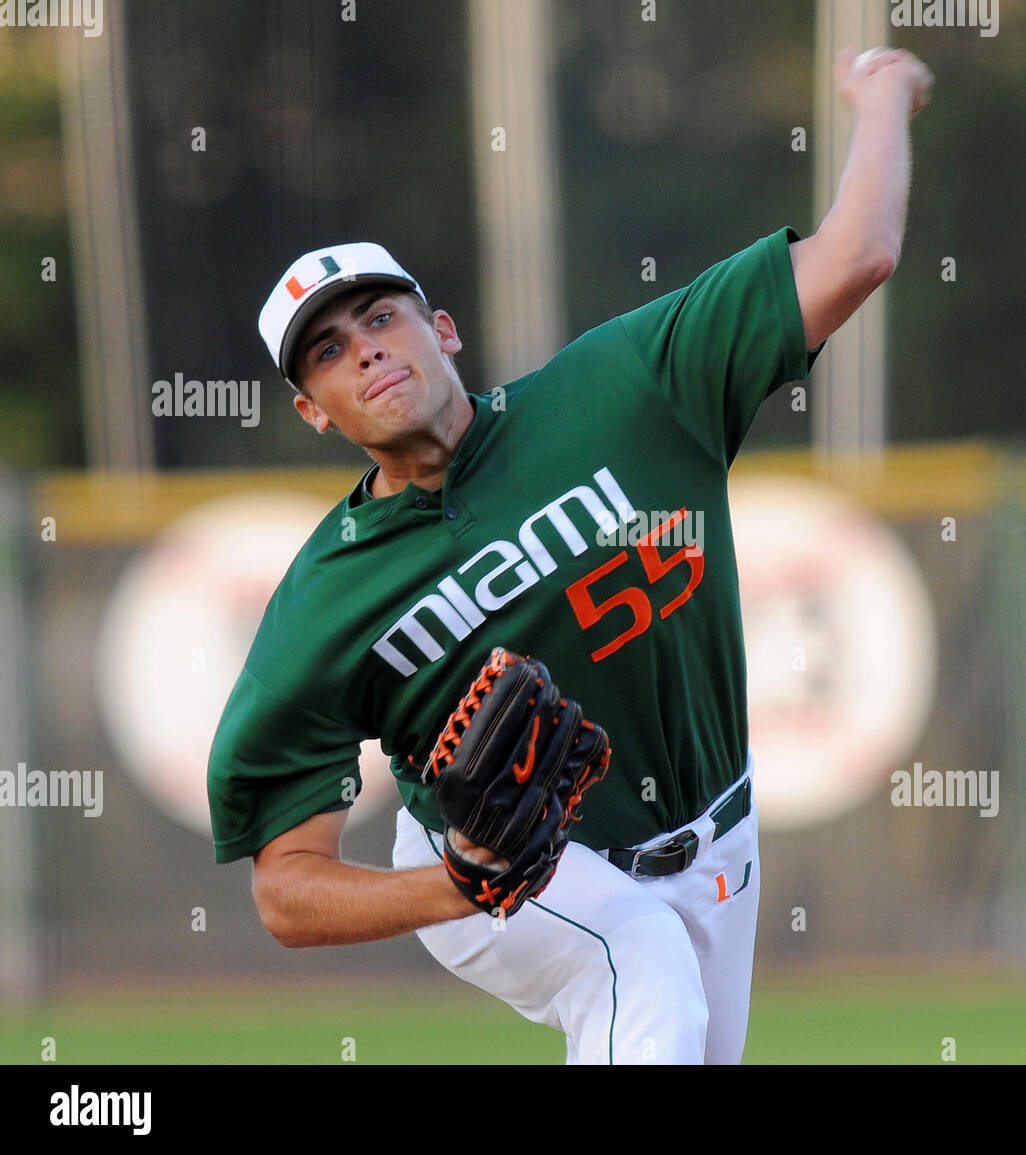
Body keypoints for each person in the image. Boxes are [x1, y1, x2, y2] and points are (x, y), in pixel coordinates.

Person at [207, 45, 932, 1064]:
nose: (365, 348)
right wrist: (454, 885)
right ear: (312, 413)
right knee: (640, 966)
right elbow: (286, 886)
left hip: (718, 839)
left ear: (442, 330)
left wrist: (883, 96)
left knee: (670, 1024)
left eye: (380, 316)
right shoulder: (328, 604)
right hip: (502, 871)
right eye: (327, 350)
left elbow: (858, 253)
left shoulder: (624, 391)